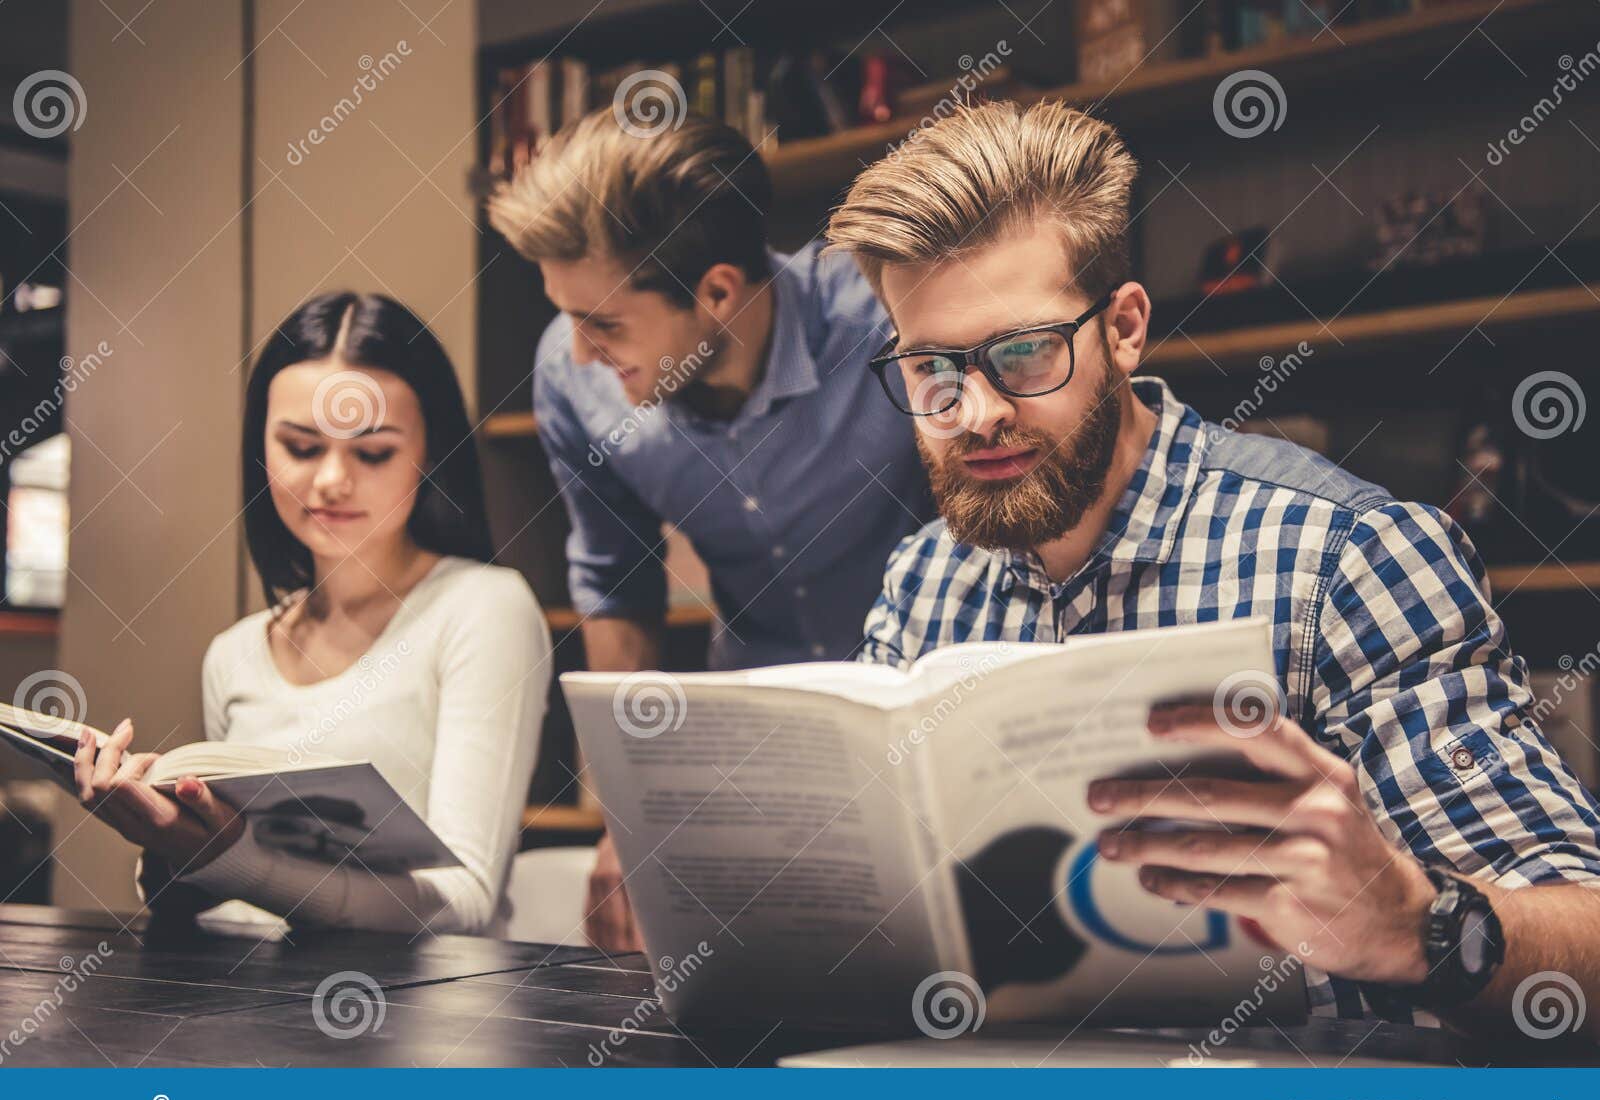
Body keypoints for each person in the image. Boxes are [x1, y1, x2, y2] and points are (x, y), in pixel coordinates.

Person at [820, 99, 1600, 1037]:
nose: (975, 412)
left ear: (1123, 328)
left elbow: (1583, 934)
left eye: (1025, 354)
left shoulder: (1349, 558)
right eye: (932, 370)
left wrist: (1415, 924)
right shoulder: (922, 583)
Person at [487, 110, 932, 950]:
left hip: (924, 722)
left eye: (606, 324)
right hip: (748, 738)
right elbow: (617, 588)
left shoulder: (884, 316)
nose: (579, 353)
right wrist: (627, 816)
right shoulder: (570, 379)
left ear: (717, 292)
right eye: (569, 317)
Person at [73, 292, 551, 936]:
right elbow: (221, 903)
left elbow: (464, 903)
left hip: (420, 1022)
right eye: (301, 447)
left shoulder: (483, 609)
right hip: (243, 1011)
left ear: (430, 451)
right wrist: (172, 848)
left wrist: (230, 858)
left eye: (373, 452)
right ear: (261, 448)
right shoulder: (236, 652)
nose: (331, 480)